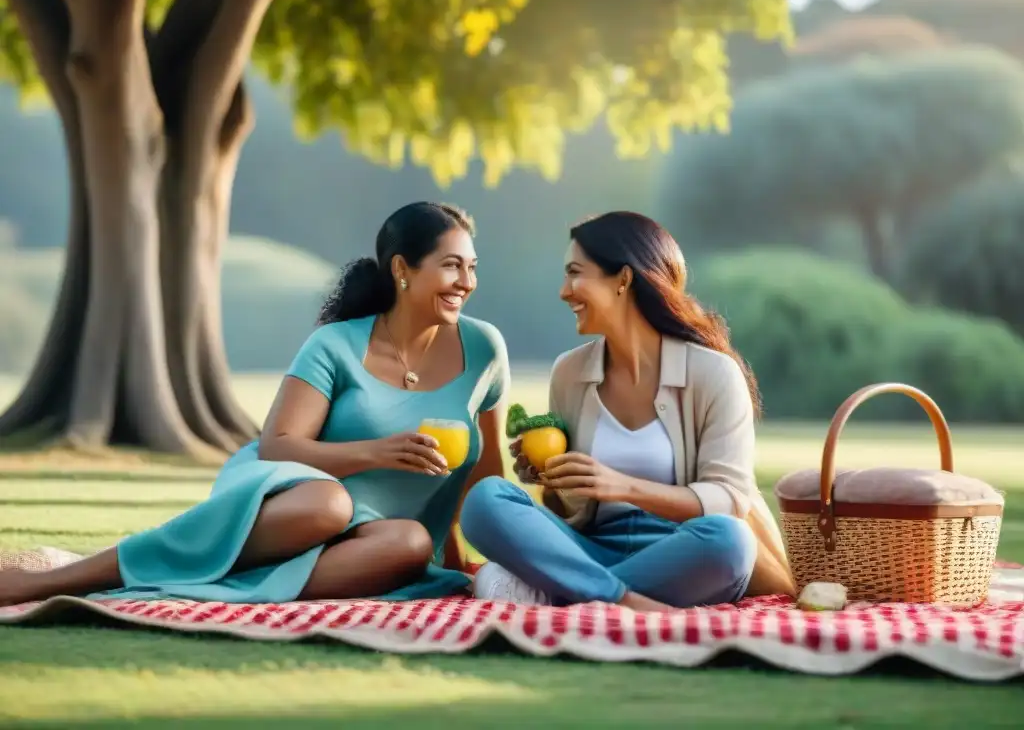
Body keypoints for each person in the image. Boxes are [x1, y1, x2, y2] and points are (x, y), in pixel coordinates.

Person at [0, 202, 509, 607]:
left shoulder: (483, 348)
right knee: (328, 506)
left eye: (472, 267)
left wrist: (464, 552)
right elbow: (277, 445)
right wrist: (378, 452)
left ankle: (211, 584)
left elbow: (484, 475)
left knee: (412, 545)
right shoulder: (336, 345)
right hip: (294, 499)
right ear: (402, 269)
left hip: (377, 534)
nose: (467, 281)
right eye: (452, 266)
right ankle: (66, 577)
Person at [460, 211, 795, 611]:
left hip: (679, 554)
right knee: (486, 499)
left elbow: (729, 498)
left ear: (623, 279)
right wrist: (553, 478)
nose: (564, 291)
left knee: (732, 541)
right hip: (589, 549)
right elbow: (569, 508)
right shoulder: (569, 373)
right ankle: (622, 598)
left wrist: (621, 485)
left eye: (575, 273)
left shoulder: (714, 374)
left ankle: (562, 592)